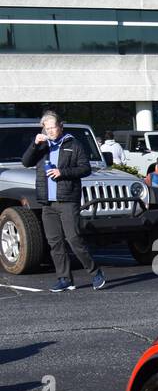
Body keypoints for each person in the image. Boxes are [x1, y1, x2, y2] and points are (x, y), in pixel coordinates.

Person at [22, 110, 105, 292]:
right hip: (47, 202)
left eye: (53, 127)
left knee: (74, 238)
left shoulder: (72, 144)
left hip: (67, 200)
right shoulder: (42, 145)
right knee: (55, 242)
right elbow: (26, 162)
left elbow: (85, 168)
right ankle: (65, 279)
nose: (50, 131)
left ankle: (95, 272)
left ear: (60, 126)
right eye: (47, 128)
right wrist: (35, 144)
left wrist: (63, 172)